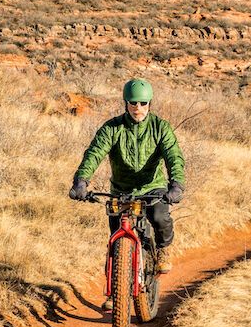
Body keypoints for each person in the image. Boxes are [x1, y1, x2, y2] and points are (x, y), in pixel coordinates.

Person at [69, 78, 185, 307]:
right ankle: (114, 292)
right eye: (133, 103)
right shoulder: (112, 128)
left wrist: (176, 184)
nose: (138, 108)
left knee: (160, 218)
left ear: (149, 103)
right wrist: (81, 181)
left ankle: (162, 249)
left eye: (143, 103)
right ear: (126, 103)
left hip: (153, 188)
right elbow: (94, 153)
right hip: (120, 190)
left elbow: (174, 156)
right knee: (115, 240)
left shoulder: (160, 127)